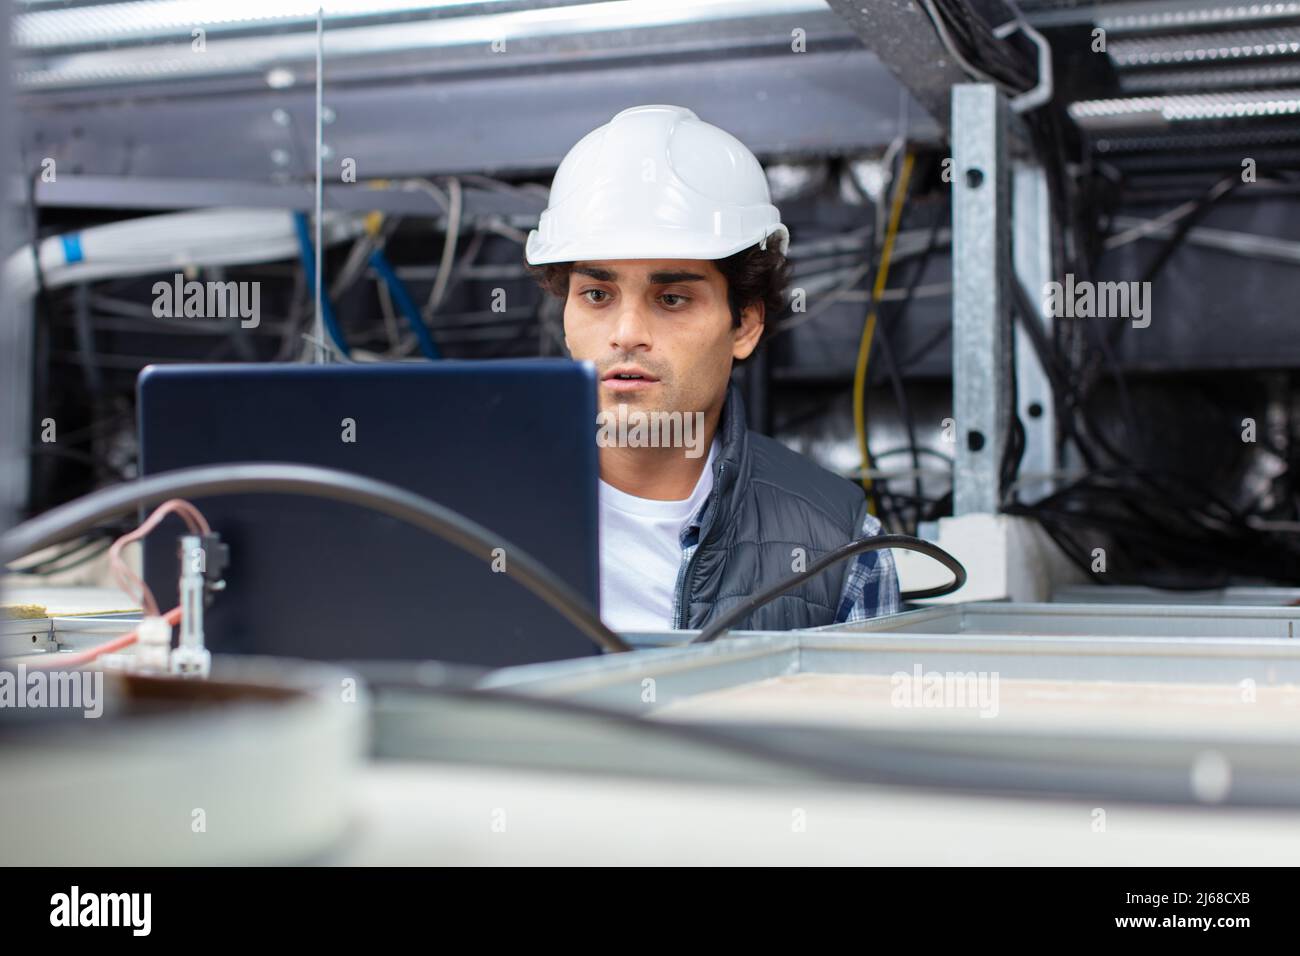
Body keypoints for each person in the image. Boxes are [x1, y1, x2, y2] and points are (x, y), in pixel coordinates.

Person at [525, 104, 900, 632]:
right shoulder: (461, 506)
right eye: (596, 294)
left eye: (672, 298)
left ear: (744, 324)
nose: (627, 332)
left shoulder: (841, 550)